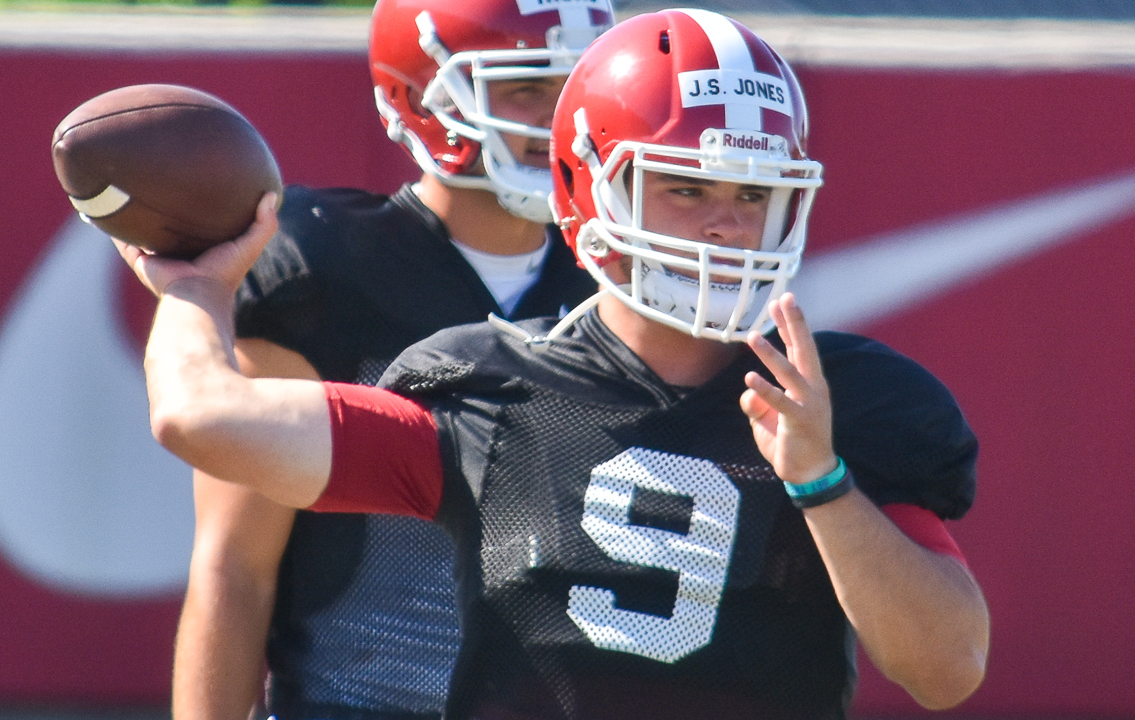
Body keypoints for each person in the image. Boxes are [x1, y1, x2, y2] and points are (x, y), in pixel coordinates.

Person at [132, 8, 990, 719]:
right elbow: (198, 421)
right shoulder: (486, 390)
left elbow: (949, 669)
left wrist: (823, 483)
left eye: (754, 194)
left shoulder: (846, 401)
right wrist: (196, 292)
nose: (728, 226)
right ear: (592, 190)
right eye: (688, 188)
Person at [171, 1, 615, 718]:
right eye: (528, 86)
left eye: (576, 87)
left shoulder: (620, 290)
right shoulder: (322, 274)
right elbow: (235, 568)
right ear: (421, 99)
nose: (560, 116)